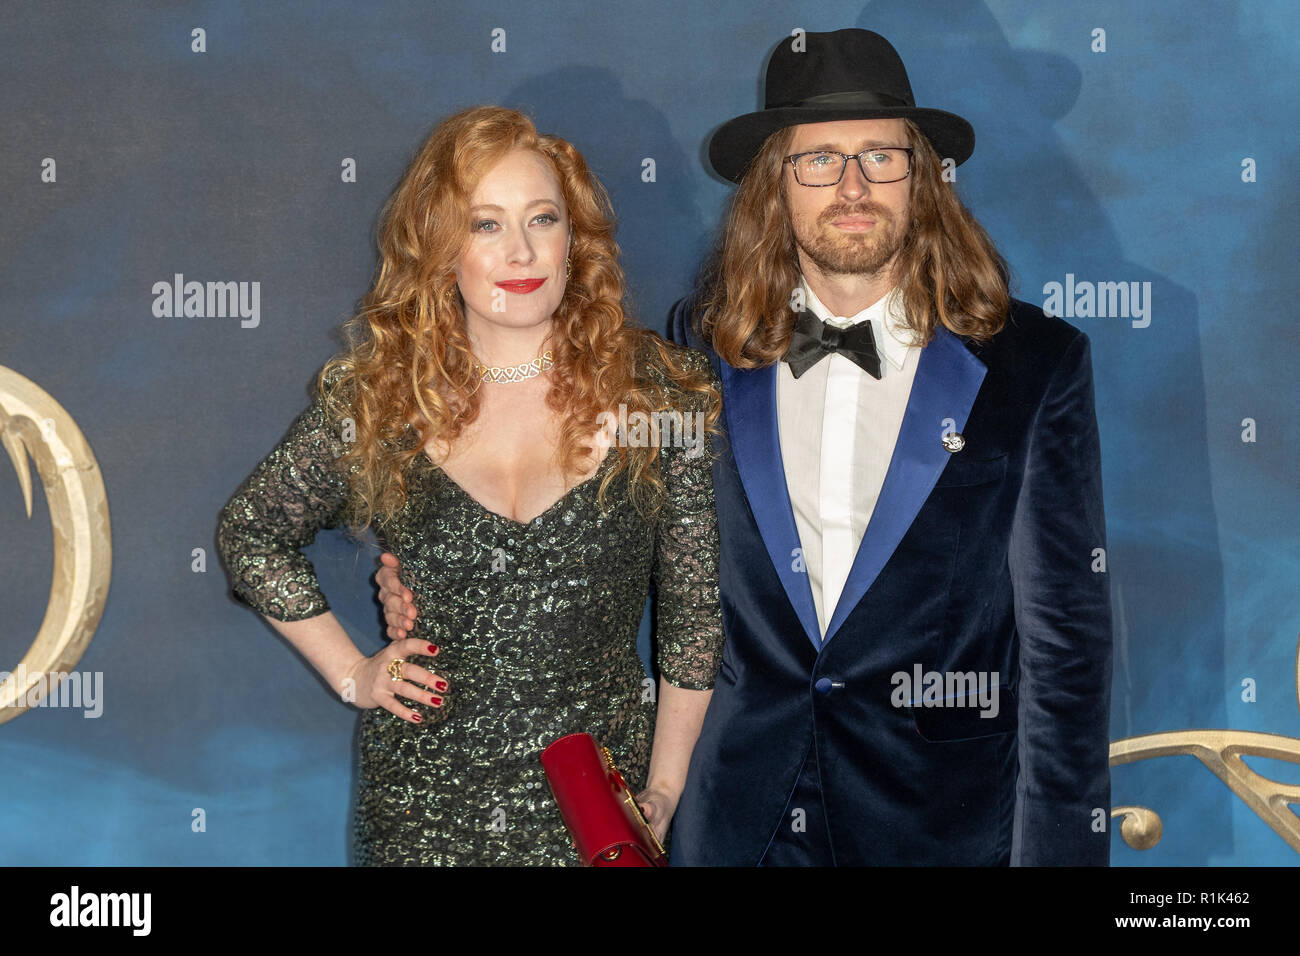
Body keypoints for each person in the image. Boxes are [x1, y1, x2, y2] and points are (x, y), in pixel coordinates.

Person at [379, 29, 1113, 866]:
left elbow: (1066, 654)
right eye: (817, 161)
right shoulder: (702, 346)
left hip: (939, 824)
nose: (851, 185)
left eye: (881, 157)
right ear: (775, 182)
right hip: (735, 818)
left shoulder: (1031, 364)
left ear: (924, 177)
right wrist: (423, 564)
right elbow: (570, 487)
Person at [216, 105, 725, 866]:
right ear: (441, 247)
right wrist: (354, 672)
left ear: (573, 239)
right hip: (419, 818)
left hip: (594, 822)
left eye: (541, 219)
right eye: (485, 225)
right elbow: (251, 533)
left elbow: (691, 619)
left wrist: (665, 786)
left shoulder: (658, 397)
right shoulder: (382, 397)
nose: (519, 249)